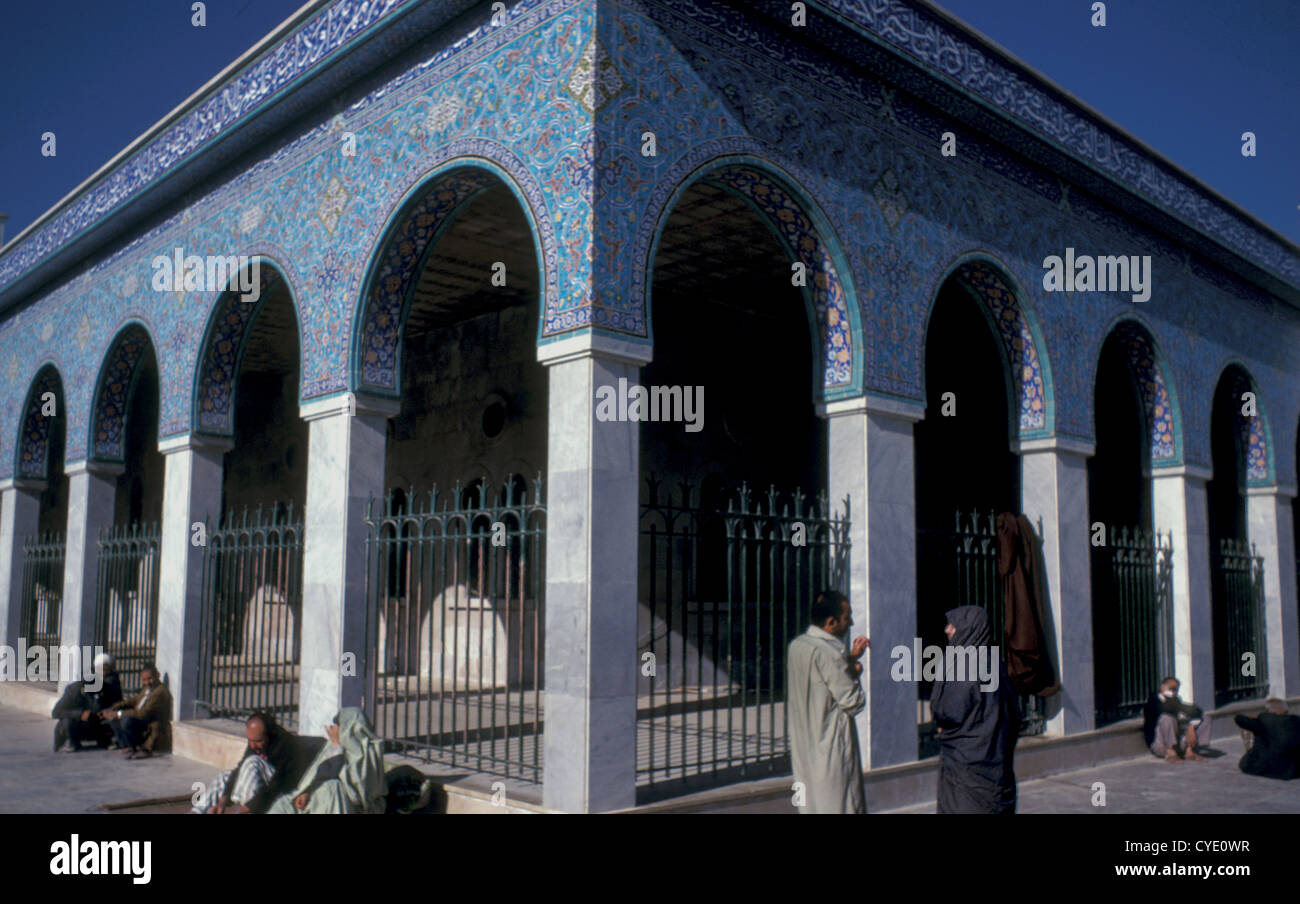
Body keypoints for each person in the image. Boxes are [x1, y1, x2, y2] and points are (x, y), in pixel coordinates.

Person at [786, 588, 869, 814]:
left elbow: (822, 679)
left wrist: (849, 658)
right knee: (840, 805)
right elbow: (853, 702)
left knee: (811, 806)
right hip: (831, 750)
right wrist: (855, 670)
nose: (851, 622)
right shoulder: (831, 653)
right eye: (846, 617)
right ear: (831, 622)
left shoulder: (797, 646)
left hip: (805, 748)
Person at [931, 606, 1018, 814]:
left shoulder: (965, 666)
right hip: (995, 761)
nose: (947, 630)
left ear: (968, 628)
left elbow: (949, 710)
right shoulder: (996, 662)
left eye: (953, 625)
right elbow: (1014, 712)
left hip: (968, 766)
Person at [267, 708, 386, 814]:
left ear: (348, 727)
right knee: (283, 804)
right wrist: (306, 792)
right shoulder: (333, 745)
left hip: (349, 806)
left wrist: (337, 747)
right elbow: (316, 774)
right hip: (316, 799)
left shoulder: (368, 752)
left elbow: (357, 792)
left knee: (333, 788)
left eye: (337, 725)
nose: (332, 729)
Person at [192, 712, 308, 814]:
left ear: (270, 734)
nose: (252, 746)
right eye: (250, 740)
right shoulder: (255, 742)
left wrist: (240, 809)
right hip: (259, 784)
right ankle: (197, 811)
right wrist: (223, 800)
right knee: (226, 775)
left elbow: (275, 786)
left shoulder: (286, 745)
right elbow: (239, 769)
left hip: (280, 789)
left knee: (252, 762)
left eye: (258, 741)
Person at [51, 653, 122, 752]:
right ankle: (73, 743)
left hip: (96, 724)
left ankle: (105, 741)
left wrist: (107, 712)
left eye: (107, 670)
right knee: (67, 722)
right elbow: (56, 712)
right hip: (78, 724)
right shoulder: (74, 689)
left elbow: (118, 705)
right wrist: (80, 714)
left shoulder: (109, 686)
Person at [103, 665, 172, 759]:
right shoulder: (147, 689)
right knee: (112, 718)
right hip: (140, 718)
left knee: (125, 720)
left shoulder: (160, 691)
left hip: (150, 724)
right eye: (144, 680)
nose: (147, 682)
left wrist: (119, 714)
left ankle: (140, 747)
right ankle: (127, 746)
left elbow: (143, 713)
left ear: (157, 675)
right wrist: (114, 708)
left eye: (150, 679)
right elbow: (135, 700)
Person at [1142, 677, 1212, 763]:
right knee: (1167, 718)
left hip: (1177, 743)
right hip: (1160, 744)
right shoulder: (1153, 701)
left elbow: (1197, 711)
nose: (1175, 692)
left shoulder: (1175, 701)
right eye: (1172, 689)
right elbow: (1166, 709)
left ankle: (1189, 751)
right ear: (1163, 688)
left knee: (1205, 718)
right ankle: (1171, 753)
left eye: (1176, 690)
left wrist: (1191, 727)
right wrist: (1171, 699)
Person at [1234, 698, 1300, 780]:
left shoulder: (1264, 719)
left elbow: (1239, 719)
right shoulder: (1296, 720)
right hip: (1292, 771)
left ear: (1269, 710)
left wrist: (1257, 716)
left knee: (1245, 762)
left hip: (1268, 768)